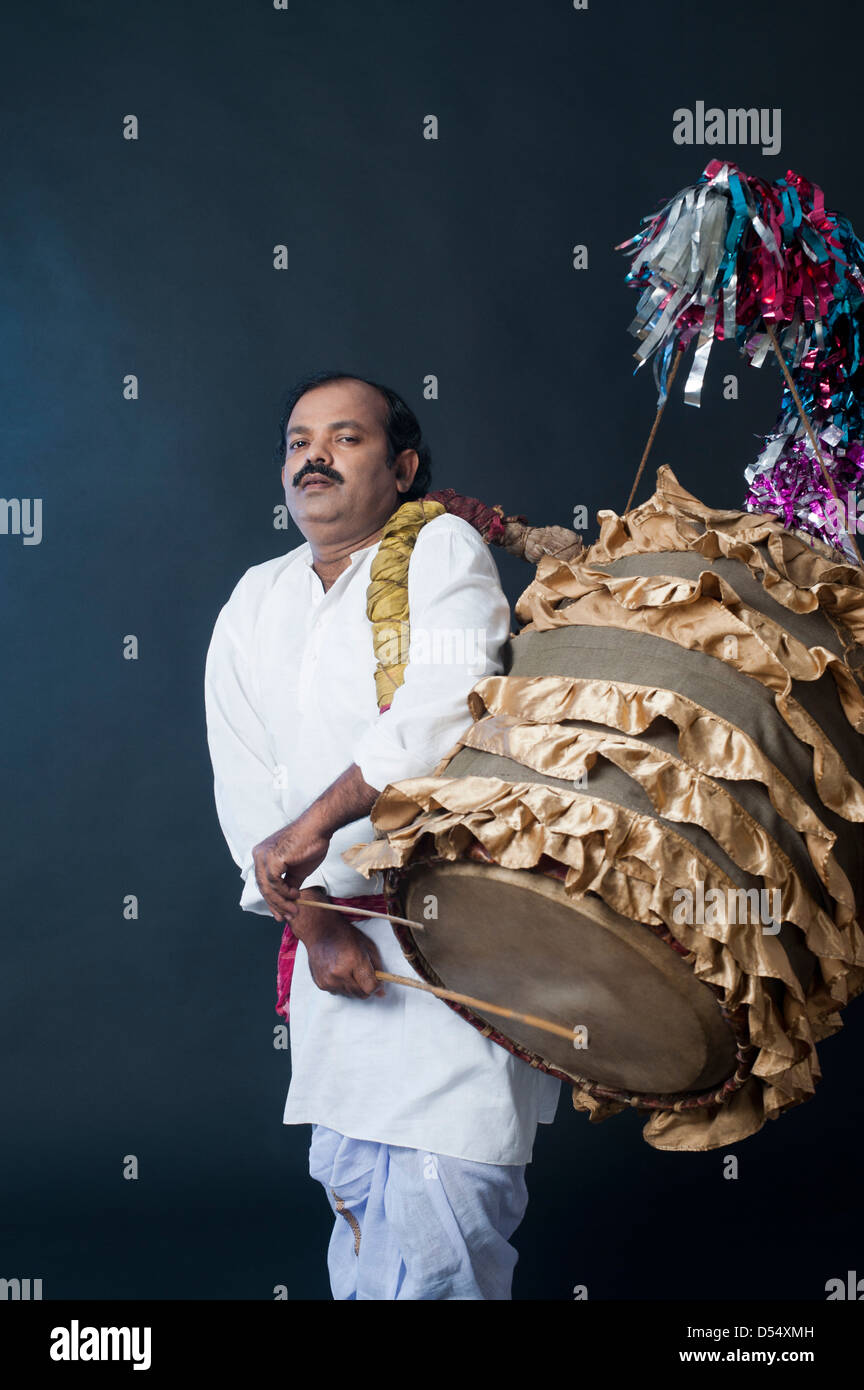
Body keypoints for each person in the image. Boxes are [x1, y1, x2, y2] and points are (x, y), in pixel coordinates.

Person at [204, 370, 560, 1300]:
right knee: (358, 1197)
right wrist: (314, 921)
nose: (313, 457)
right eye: (298, 442)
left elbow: (445, 708)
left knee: (453, 1203)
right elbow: (245, 778)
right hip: (331, 943)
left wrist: (315, 825)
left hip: (455, 932)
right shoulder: (255, 596)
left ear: (403, 468)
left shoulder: (440, 548)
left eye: (345, 437)